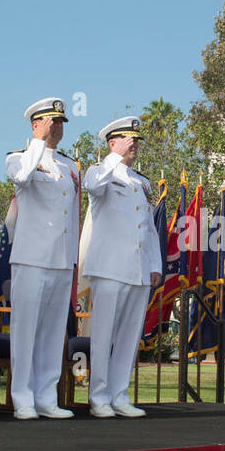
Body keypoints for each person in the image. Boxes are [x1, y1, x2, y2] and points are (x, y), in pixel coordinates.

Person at [80, 116, 163, 418]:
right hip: (110, 267)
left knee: (129, 335)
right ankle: (99, 396)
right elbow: (93, 186)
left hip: (138, 268)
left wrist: (155, 263)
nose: (134, 144)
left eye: (136, 140)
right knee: (103, 334)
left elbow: (148, 229)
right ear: (112, 142)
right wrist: (115, 158)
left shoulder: (142, 182)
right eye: (127, 139)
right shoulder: (99, 172)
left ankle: (119, 394)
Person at [5, 97, 79, 420]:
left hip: (61, 259)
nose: (56, 126)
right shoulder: (19, 158)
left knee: (51, 332)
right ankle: (22, 396)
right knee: (26, 330)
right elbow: (21, 178)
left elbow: (72, 217)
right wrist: (37, 141)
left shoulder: (71, 166)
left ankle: (47, 395)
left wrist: (73, 257)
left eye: (61, 121)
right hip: (32, 258)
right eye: (51, 121)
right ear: (35, 124)